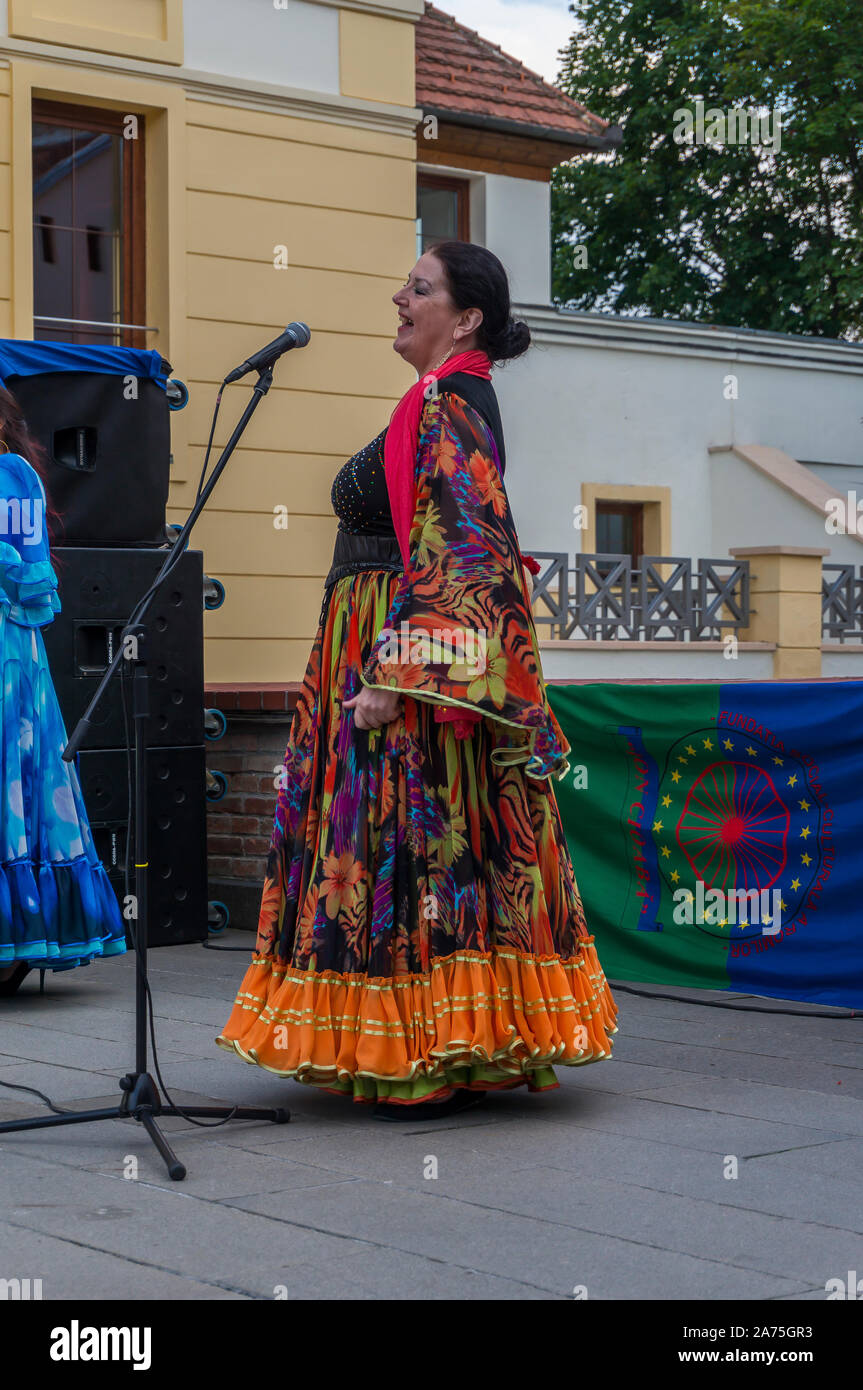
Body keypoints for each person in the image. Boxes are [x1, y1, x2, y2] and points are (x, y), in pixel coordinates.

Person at [217, 241, 617, 1118]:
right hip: (371, 642)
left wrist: (394, 674)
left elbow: (465, 554)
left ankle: (427, 1045)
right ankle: (444, 1040)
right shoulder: (439, 400)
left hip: (397, 665)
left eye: (419, 288)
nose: (399, 297)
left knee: (412, 845)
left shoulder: (448, 402)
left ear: (465, 317)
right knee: (422, 849)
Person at [0, 385, 126, 995]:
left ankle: (14, 938)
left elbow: (33, 588)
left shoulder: (12, 475)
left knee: (11, 790)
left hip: (6, 659)